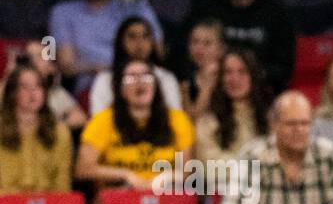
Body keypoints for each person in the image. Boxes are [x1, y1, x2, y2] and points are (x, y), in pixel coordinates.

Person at [49, 0, 164, 95]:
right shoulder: (62, 13)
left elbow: (157, 53)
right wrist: (100, 70)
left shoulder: (137, 8)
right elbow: (66, 66)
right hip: (92, 88)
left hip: (138, 84)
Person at [76, 59, 194, 194]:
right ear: (121, 89)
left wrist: (163, 178)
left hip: (166, 195)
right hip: (120, 195)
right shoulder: (103, 120)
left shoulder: (177, 119)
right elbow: (83, 168)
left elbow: (188, 170)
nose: (140, 82)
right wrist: (127, 175)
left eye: (146, 76)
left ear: (156, 85)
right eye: (131, 78)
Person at [187, 0, 297, 90]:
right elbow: (187, 54)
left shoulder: (276, 13)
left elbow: (284, 66)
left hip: (263, 91)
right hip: (216, 88)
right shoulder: (209, 10)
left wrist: (247, 76)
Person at [193, 46, 272, 166]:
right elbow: (209, 163)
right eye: (228, 72)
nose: (234, 79)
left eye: (242, 72)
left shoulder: (271, 117)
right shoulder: (208, 120)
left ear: (253, 76)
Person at [0, 62, 73, 192]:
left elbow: (62, 185)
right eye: (25, 87)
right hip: (5, 203)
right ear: (12, 93)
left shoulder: (60, 132)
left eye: (38, 86)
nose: (33, 93)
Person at [88, 16, 183, 115]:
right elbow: (98, 117)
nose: (139, 43)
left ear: (153, 42)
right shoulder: (106, 79)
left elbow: (175, 116)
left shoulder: (165, 77)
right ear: (121, 42)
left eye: (145, 36)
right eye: (132, 37)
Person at [13, 41, 86, 131]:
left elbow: (79, 118)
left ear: (51, 67)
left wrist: (50, 128)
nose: (33, 61)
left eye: (41, 56)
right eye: (29, 57)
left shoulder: (55, 91)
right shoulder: (10, 89)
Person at [178, 19, 226, 122]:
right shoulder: (186, 77)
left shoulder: (229, 76)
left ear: (221, 48)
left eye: (207, 43)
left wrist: (206, 86)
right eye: (195, 42)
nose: (199, 48)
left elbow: (195, 117)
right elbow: (189, 120)